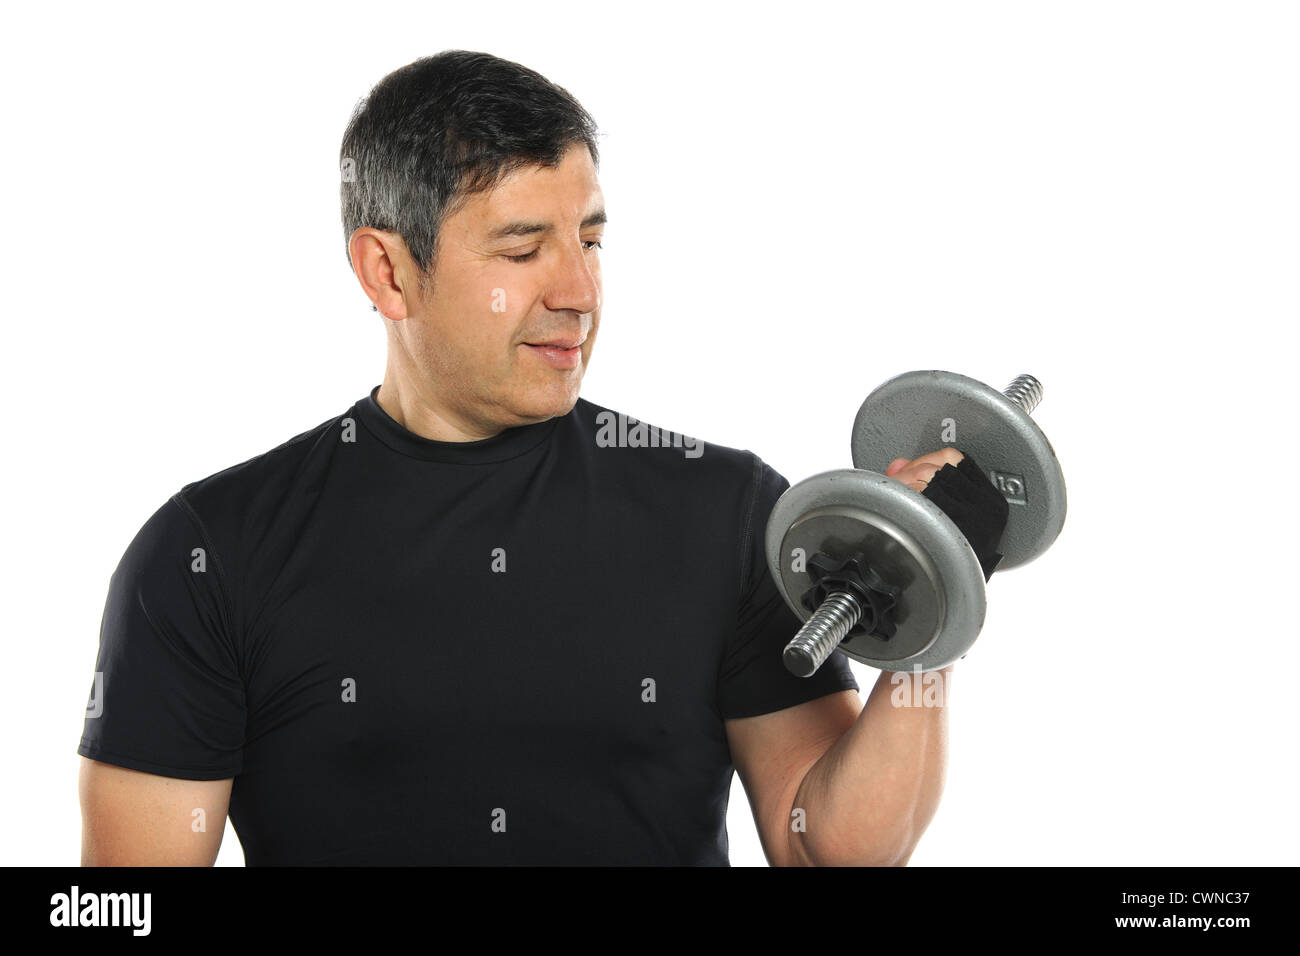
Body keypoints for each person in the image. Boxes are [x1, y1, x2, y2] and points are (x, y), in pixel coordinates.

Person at [77, 50, 963, 866]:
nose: (579, 292)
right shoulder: (207, 555)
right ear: (387, 272)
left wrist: (928, 614)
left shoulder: (725, 512)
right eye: (523, 248)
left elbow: (823, 848)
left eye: (591, 241)